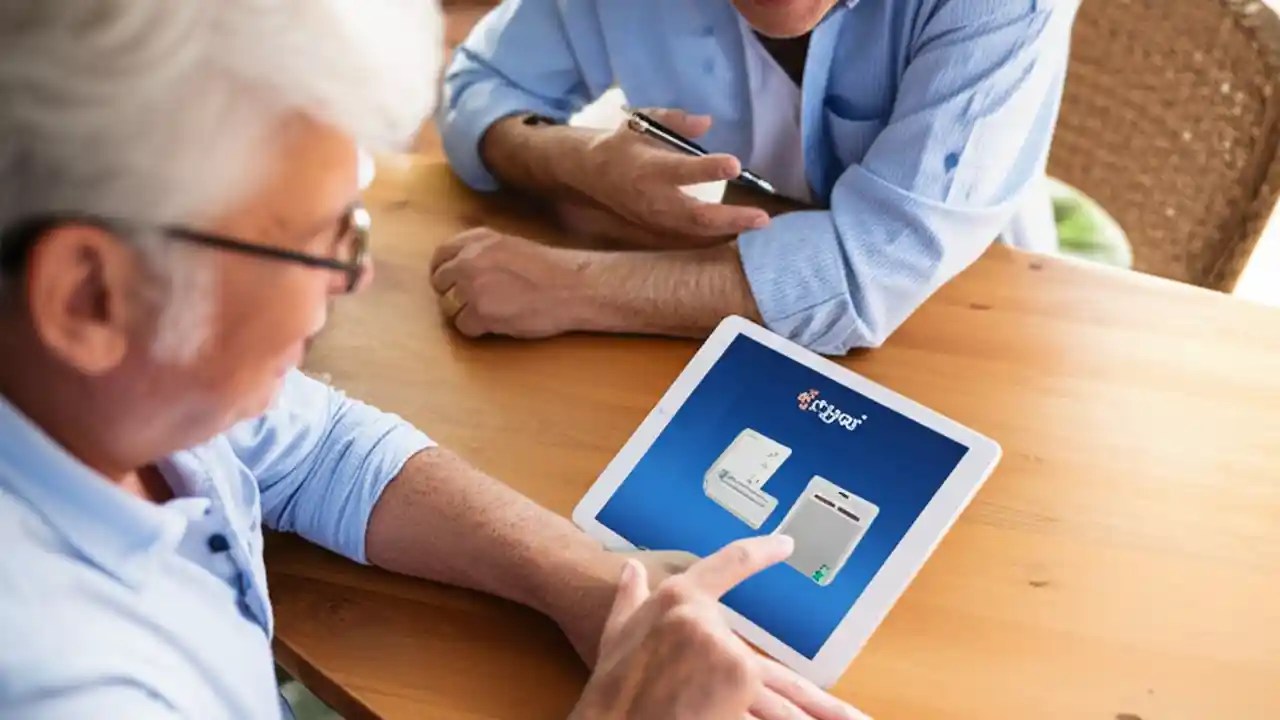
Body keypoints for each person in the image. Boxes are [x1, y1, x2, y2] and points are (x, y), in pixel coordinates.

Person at [0, 2, 862, 718]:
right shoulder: (61, 686)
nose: (356, 279)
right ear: (89, 298)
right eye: (320, 242)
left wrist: (590, 583)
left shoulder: (122, 389)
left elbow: (319, 448)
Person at [436, 0, 1078, 354]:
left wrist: (575, 288)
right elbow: (481, 85)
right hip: (720, 282)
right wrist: (574, 161)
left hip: (973, 314)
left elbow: (877, 268)